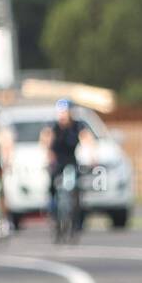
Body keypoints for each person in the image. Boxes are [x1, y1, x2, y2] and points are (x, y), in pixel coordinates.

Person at [40, 98, 95, 230]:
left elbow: (87, 139)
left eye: (65, 112)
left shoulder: (78, 125)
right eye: (61, 112)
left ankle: (76, 215)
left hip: (71, 160)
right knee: (52, 185)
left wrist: (92, 156)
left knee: (76, 186)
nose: (63, 115)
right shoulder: (53, 126)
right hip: (57, 160)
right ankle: (53, 212)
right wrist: (47, 153)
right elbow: (45, 140)